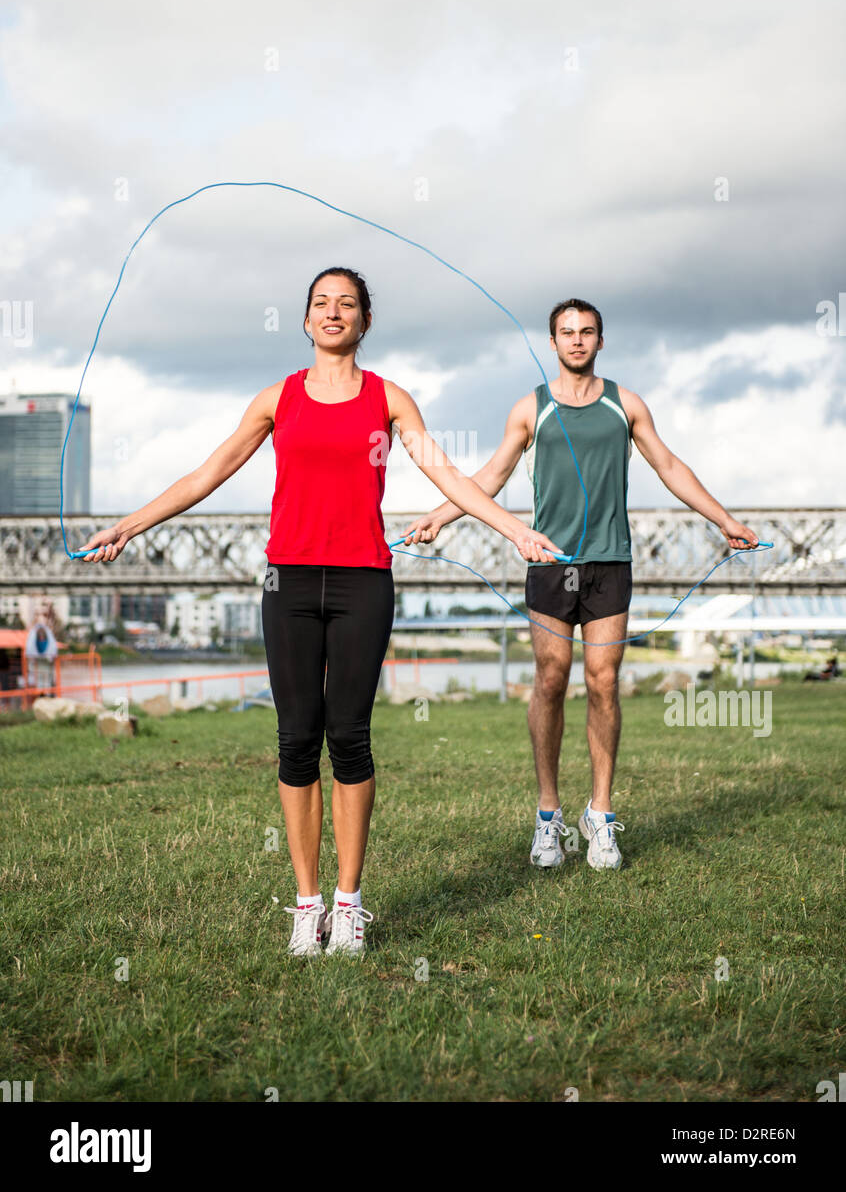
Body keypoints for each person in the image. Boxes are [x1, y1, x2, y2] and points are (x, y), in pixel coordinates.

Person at [77, 269, 562, 955]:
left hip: (364, 581)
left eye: (347, 305)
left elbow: (446, 474)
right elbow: (206, 474)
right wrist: (129, 525)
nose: (333, 313)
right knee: (297, 739)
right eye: (320, 304)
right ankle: (307, 906)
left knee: (351, 738)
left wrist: (513, 531)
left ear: (365, 321)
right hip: (290, 585)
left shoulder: (388, 399)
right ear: (306, 320)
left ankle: (349, 902)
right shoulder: (276, 399)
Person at [402, 298, 760, 873]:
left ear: (600, 340)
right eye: (566, 333)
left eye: (586, 331)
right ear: (552, 343)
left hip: (610, 563)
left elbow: (668, 465)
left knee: (603, 681)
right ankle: (548, 815)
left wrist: (724, 519)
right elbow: (490, 476)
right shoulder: (531, 409)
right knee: (550, 677)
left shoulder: (626, 404)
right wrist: (439, 516)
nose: (576, 340)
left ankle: (600, 815)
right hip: (548, 561)